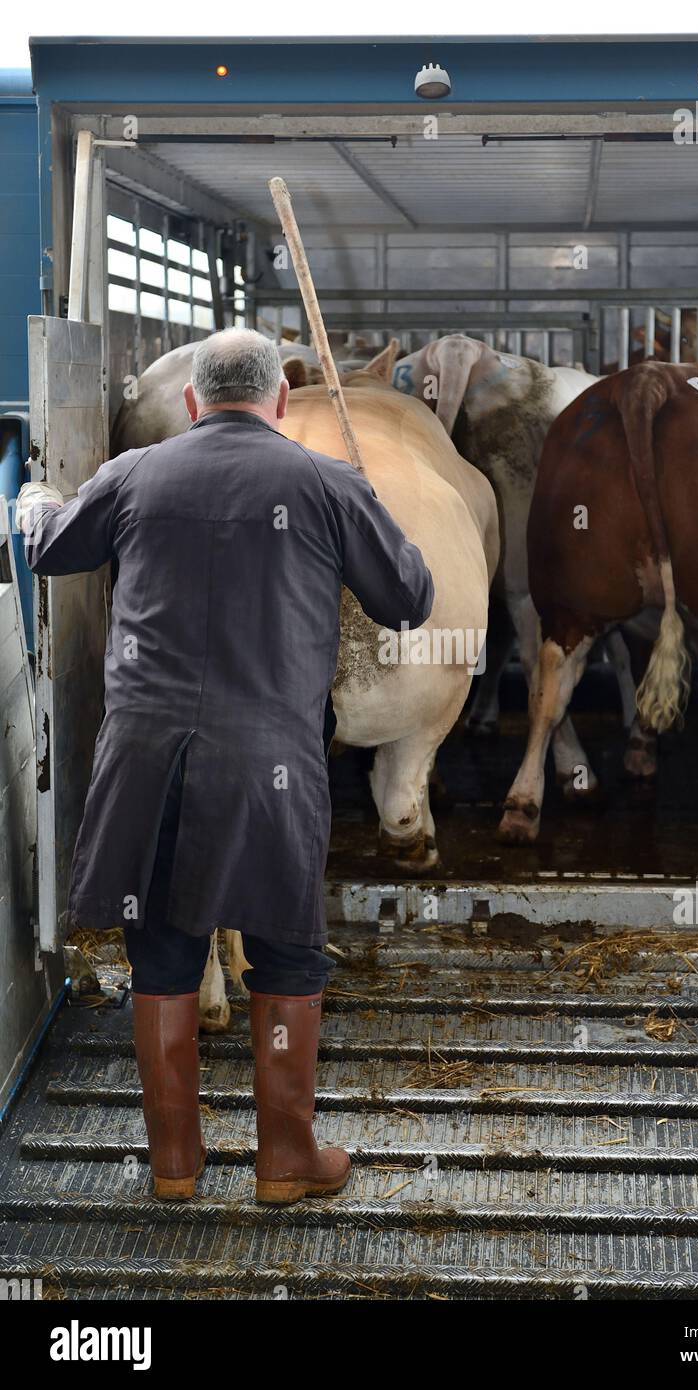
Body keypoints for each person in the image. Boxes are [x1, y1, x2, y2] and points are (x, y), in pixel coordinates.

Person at [16, 327, 434, 1204]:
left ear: (193, 402)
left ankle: (175, 1164)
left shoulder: (135, 474)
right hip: (269, 763)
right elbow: (407, 600)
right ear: (281, 397)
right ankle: (285, 1159)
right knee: (285, 954)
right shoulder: (325, 482)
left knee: (159, 954)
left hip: (142, 757)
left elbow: (53, 548)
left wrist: (31, 500)